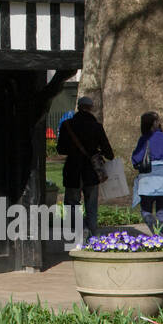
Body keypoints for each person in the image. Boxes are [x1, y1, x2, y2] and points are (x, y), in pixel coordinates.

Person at [57, 95, 115, 241]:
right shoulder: (96, 127)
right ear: (90, 108)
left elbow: (61, 149)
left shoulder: (67, 125)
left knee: (72, 203)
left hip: (73, 170)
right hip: (91, 171)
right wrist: (97, 153)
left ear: (78, 106)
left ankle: (81, 229)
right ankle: (93, 233)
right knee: (91, 204)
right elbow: (109, 153)